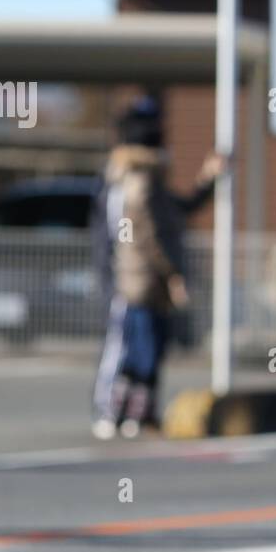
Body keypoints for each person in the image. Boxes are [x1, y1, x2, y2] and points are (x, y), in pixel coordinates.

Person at [90, 98, 225, 438]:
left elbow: (175, 210)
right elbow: (153, 235)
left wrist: (207, 180)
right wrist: (174, 273)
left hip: (131, 280)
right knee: (136, 351)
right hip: (139, 282)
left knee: (137, 349)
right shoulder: (140, 182)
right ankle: (119, 414)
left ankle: (127, 414)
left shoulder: (122, 179)